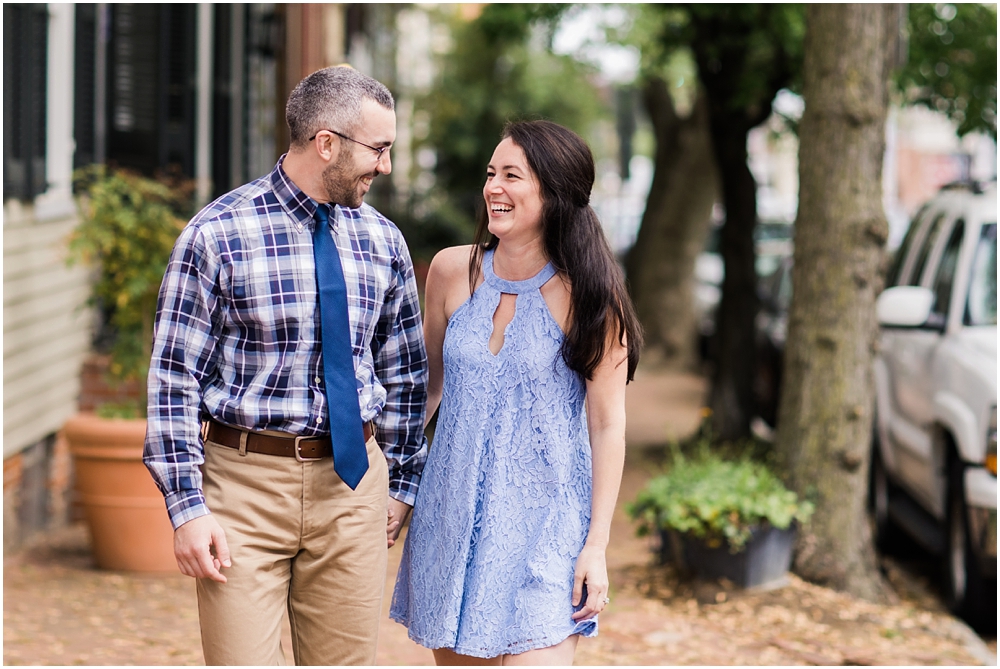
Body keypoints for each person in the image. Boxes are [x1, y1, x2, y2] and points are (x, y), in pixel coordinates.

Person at [143, 65, 428, 665]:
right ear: (327, 143)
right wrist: (186, 507)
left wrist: (402, 482)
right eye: (378, 149)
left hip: (353, 489)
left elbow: (403, 372)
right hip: (242, 487)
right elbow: (173, 378)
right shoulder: (217, 234)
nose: (385, 166)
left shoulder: (384, 241)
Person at [390, 120, 642, 665]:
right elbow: (424, 391)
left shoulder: (592, 298)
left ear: (554, 192)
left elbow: (607, 426)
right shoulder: (451, 270)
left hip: (548, 532)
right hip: (450, 521)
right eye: (490, 174)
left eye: (511, 175)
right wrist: (399, 486)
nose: (493, 188)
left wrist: (596, 545)